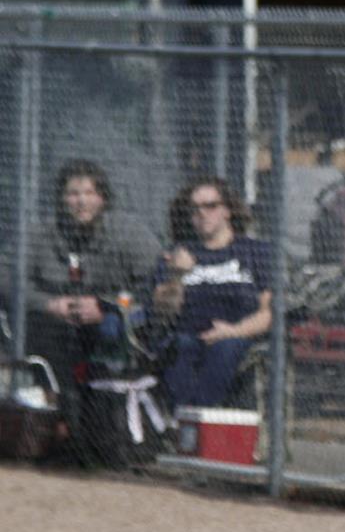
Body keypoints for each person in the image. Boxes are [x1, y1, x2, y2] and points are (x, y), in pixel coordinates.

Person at [19, 160, 162, 450]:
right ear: (62, 199)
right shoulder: (40, 234)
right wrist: (50, 304)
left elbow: (154, 284)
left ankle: (104, 429)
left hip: (112, 321)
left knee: (111, 330)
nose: (81, 201)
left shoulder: (128, 232)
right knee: (40, 331)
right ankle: (57, 423)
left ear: (102, 198)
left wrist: (106, 306)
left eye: (89, 193)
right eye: (73, 194)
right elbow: (9, 279)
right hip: (56, 325)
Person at [151, 178, 273, 413]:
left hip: (237, 335)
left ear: (227, 210)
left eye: (210, 206)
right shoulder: (177, 254)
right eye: (194, 208)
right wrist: (176, 276)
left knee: (225, 348)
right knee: (179, 346)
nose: (202, 213)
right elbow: (162, 310)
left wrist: (234, 331)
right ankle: (187, 419)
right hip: (187, 335)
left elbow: (268, 313)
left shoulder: (255, 252)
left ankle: (195, 418)